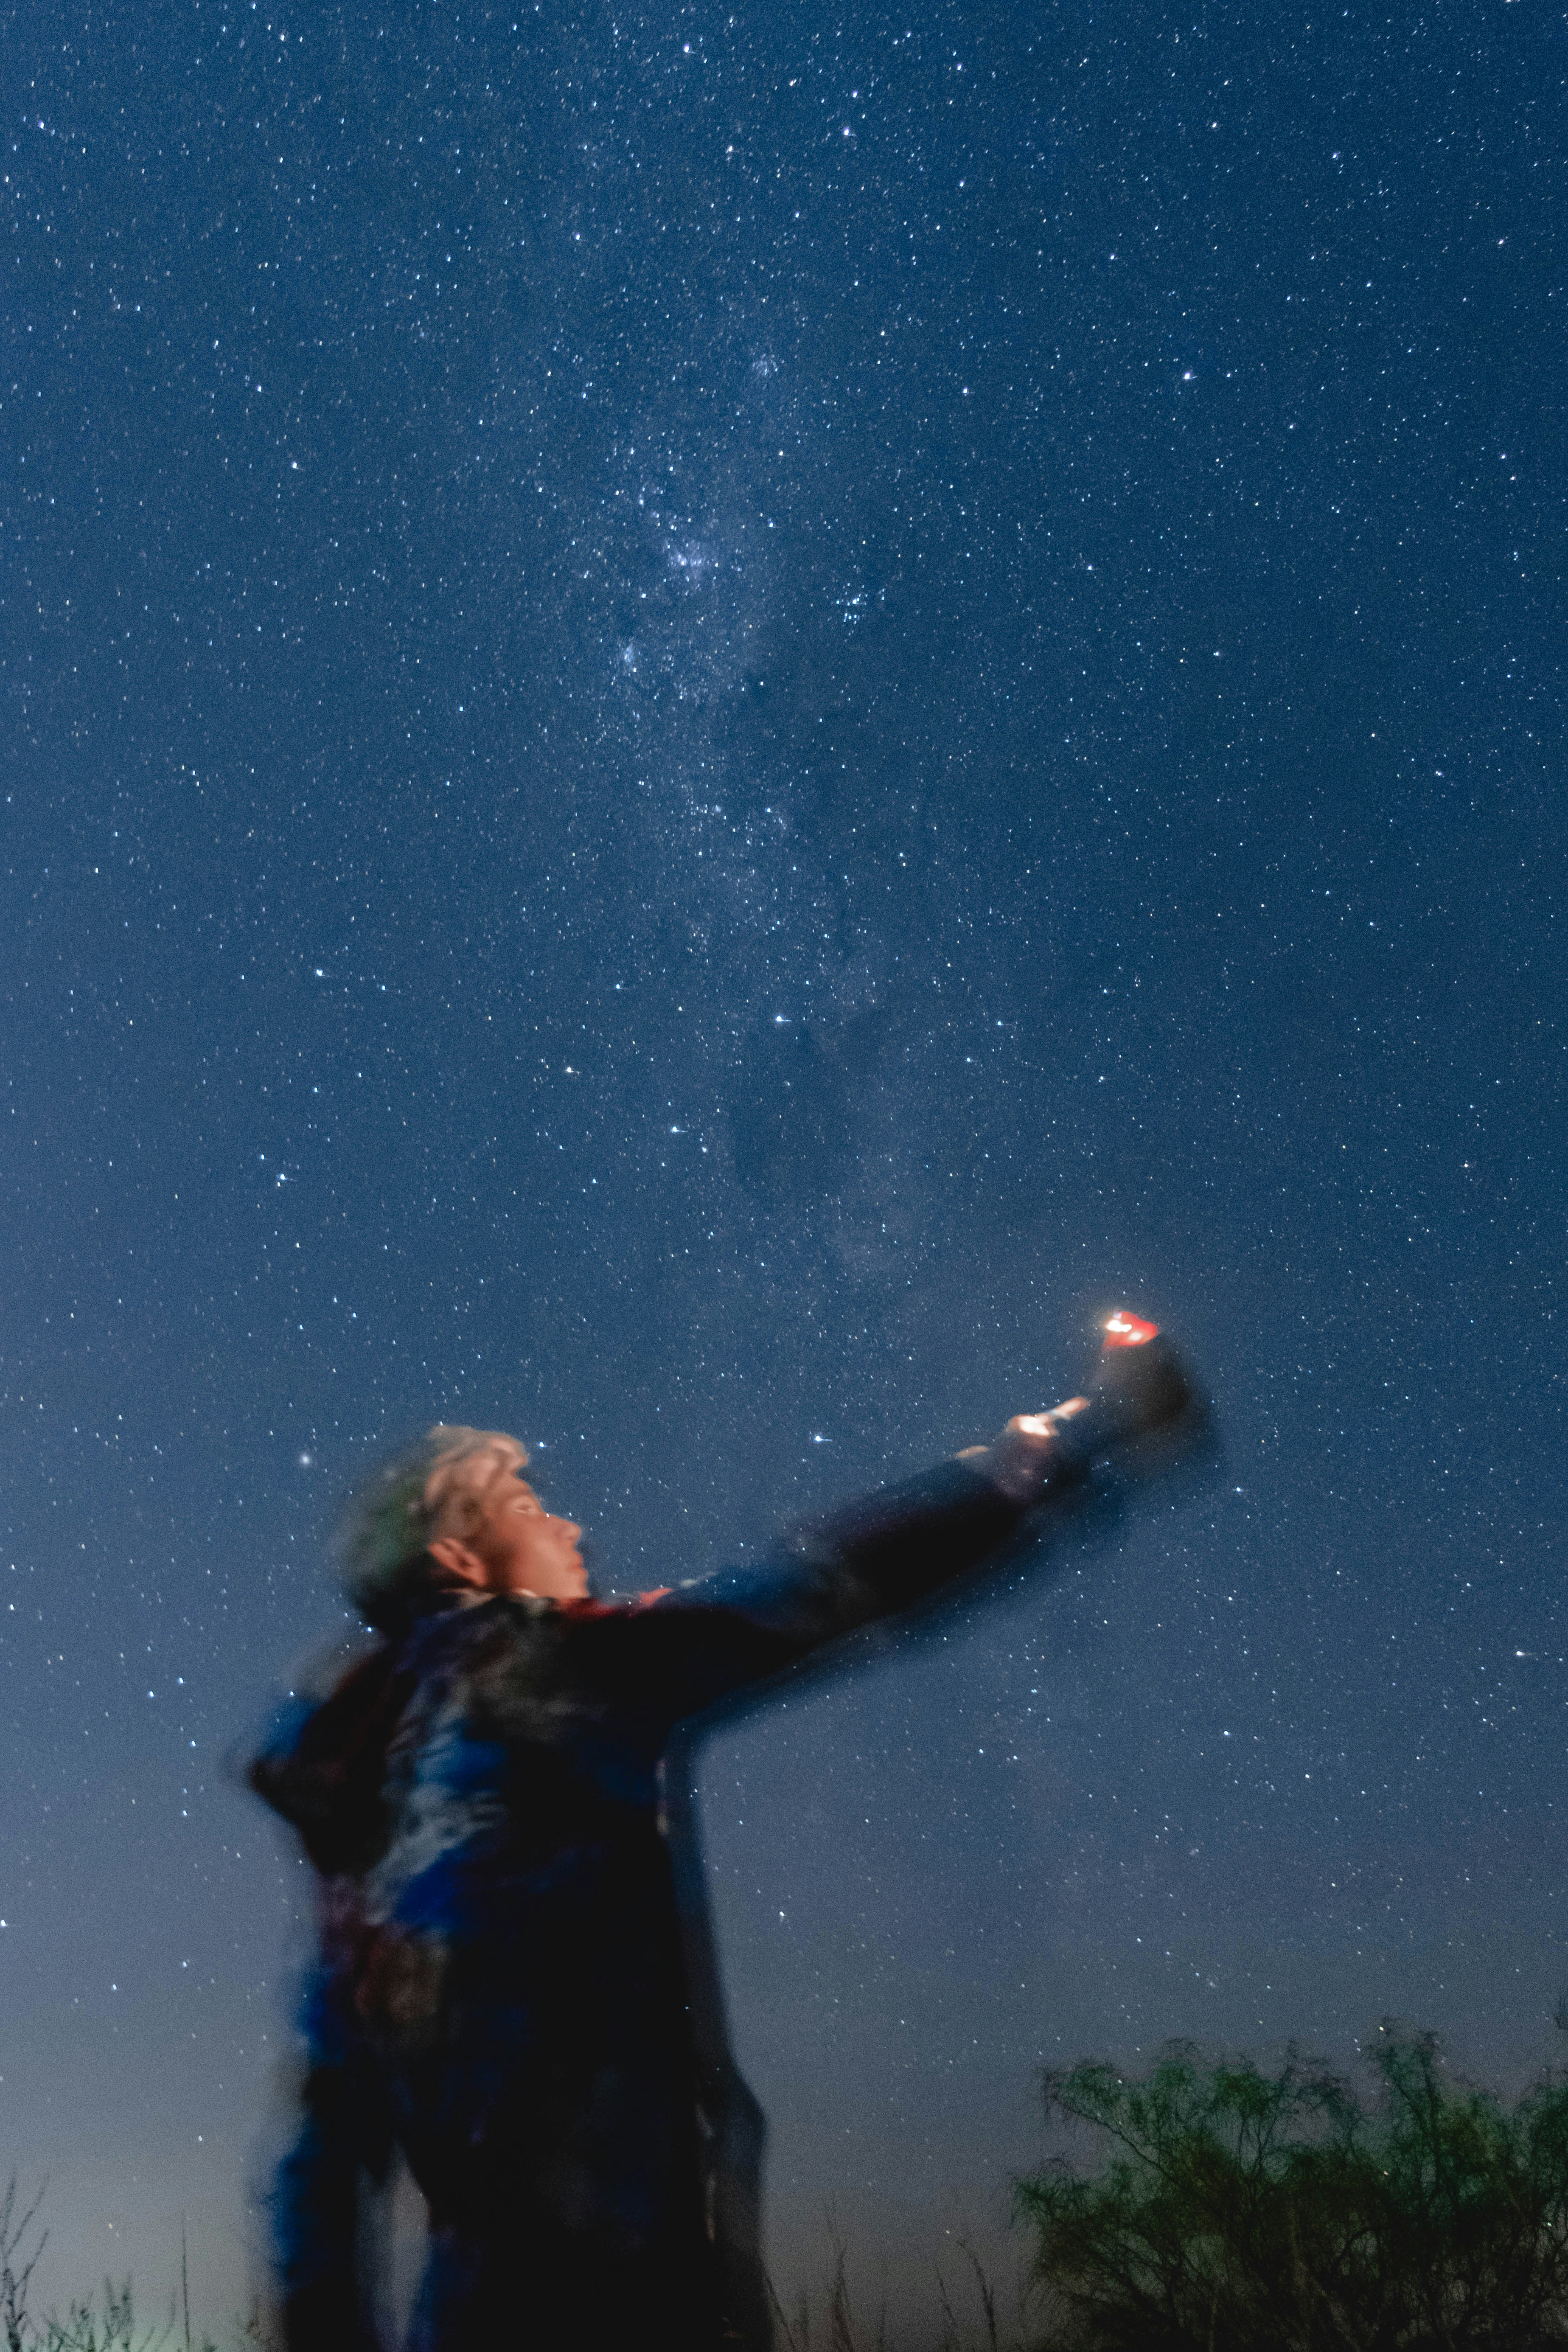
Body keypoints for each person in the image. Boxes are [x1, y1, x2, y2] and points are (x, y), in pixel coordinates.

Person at [250, 1318, 1194, 2352]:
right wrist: (1079, 1435)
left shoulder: (361, 1809)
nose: (568, 1525)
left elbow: (319, 2152)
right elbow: (818, 1586)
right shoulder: (542, 1664)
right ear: (457, 1553)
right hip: (617, 2291)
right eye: (527, 1505)